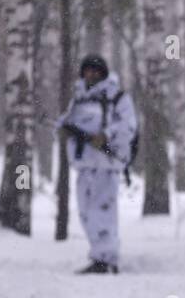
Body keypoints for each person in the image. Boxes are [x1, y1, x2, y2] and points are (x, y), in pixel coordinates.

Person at [56, 55, 138, 275]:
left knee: (102, 211)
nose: (91, 75)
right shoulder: (79, 99)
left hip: (106, 164)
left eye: (96, 71)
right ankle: (99, 255)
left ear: (103, 73)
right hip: (84, 165)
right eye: (87, 71)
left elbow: (128, 126)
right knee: (86, 213)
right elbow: (67, 122)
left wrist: (106, 136)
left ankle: (107, 258)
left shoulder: (117, 98)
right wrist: (63, 129)